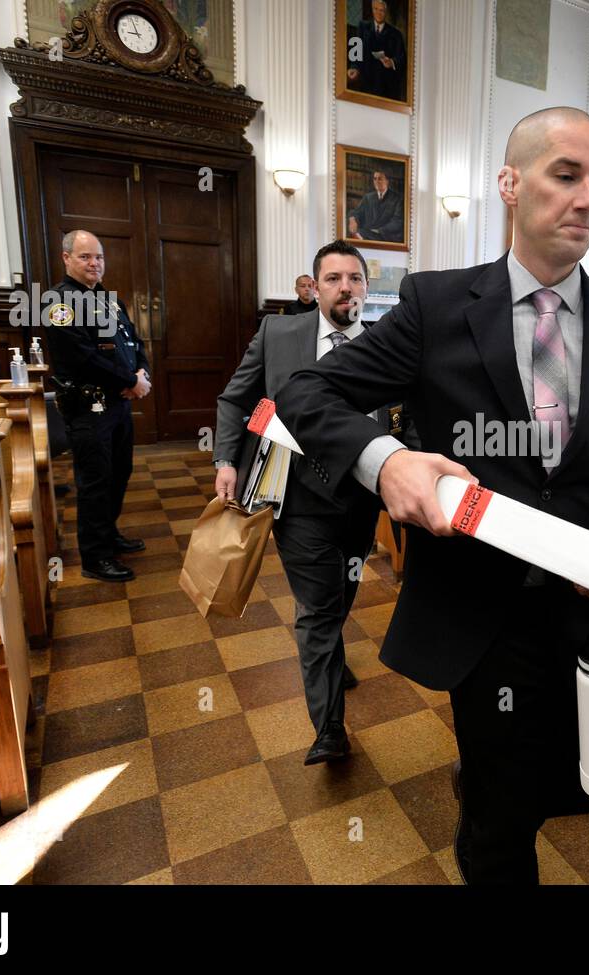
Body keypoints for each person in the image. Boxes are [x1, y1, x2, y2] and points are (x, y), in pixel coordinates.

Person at [280, 107, 589, 885]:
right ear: (509, 183)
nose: (587, 198)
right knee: (500, 827)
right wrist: (384, 459)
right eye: (565, 174)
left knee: (579, 787)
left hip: (587, 613)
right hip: (483, 614)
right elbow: (304, 392)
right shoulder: (436, 307)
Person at [215, 241, 386, 765]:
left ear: (365, 287)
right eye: (333, 278)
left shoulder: (385, 343)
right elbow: (236, 398)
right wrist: (226, 459)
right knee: (316, 609)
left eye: (354, 278)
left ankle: (329, 652)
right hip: (297, 495)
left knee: (344, 589)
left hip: (361, 498)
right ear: (315, 287)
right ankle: (329, 729)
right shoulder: (279, 333)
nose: (345, 287)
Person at [46, 229, 152, 582]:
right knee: (95, 481)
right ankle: (95, 557)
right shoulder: (57, 304)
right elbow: (83, 358)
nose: (94, 263)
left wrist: (141, 373)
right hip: (87, 407)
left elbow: (134, 341)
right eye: (85, 257)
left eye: (99, 257)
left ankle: (108, 534)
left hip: (118, 404)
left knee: (120, 472)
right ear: (66, 259)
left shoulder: (109, 299)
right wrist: (129, 382)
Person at [346, 0, 407, 102]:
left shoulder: (396, 34)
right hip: (366, 85)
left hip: (387, 88)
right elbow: (355, 52)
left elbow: (402, 59)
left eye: (381, 10)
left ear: (386, 12)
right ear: (372, 9)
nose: (378, 13)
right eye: (375, 9)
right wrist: (354, 67)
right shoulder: (362, 27)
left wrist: (391, 62)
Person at [347, 169, 404, 243]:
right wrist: (352, 219)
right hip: (367, 233)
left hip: (386, 236)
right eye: (375, 179)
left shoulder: (397, 199)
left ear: (387, 181)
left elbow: (398, 222)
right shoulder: (368, 197)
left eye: (380, 179)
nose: (376, 181)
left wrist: (379, 230)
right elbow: (357, 212)